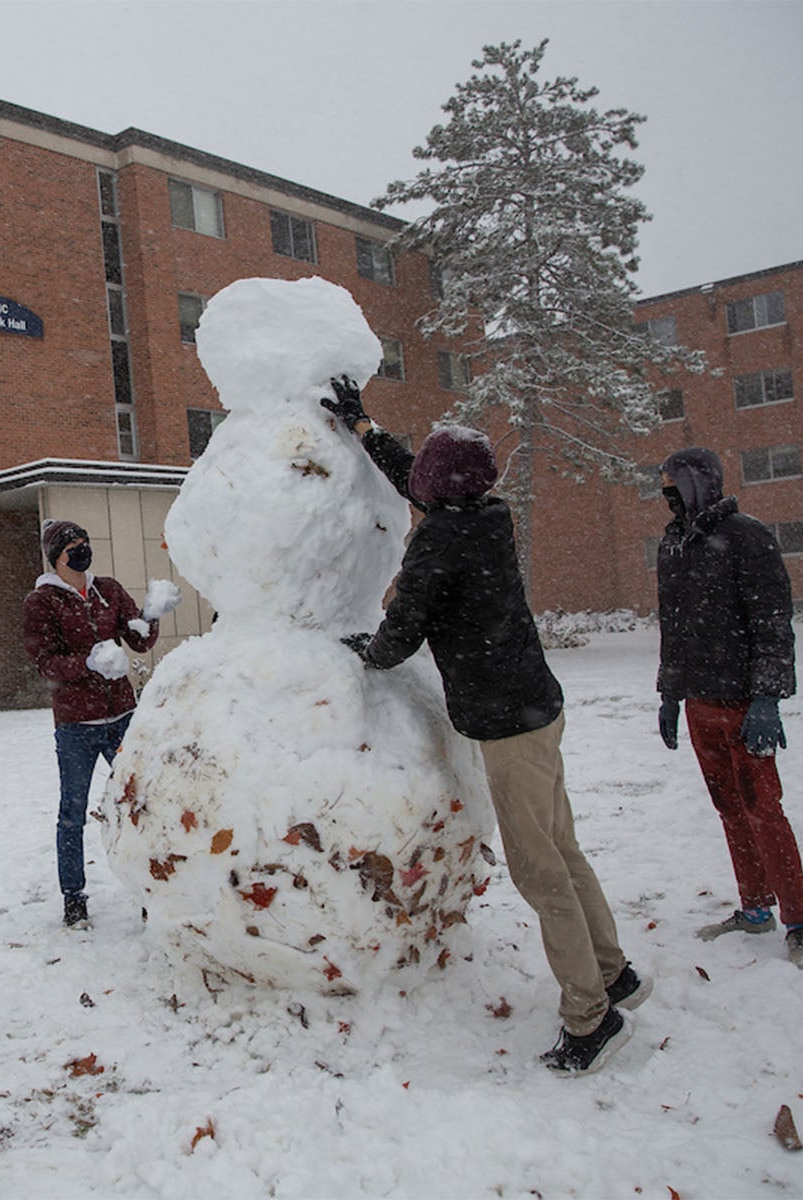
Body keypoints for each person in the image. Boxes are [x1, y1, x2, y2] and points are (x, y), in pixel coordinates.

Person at [323, 378, 645, 1076]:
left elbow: (400, 635)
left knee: (540, 870)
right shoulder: (488, 515)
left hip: (505, 728)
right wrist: (366, 427)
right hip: (539, 709)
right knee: (565, 846)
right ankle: (614, 970)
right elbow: (419, 479)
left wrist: (363, 650)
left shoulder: (440, 541)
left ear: (441, 488)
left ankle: (591, 1014)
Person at [656, 447, 803, 970]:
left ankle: (798, 923)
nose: (667, 494)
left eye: (674, 483)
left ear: (699, 483)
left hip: (745, 702)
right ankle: (754, 908)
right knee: (729, 809)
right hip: (699, 702)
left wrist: (768, 698)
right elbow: (673, 628)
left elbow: (773, 621)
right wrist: (669, 693)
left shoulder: (746, 537)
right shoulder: (674, 544)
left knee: (764, 810)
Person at [22, 520, 170, 928]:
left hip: (123, 716)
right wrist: (85, 664)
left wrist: (150, 616)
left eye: (85, 543)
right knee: (72, 812)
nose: (82, 550)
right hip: (76, 725)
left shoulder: (107, 589)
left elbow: (138, 640)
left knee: (142, 805)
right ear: (57, 557)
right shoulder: (43, 602)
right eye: (73, 546)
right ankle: (74, 895)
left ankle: (151, 892)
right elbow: (44, 663)